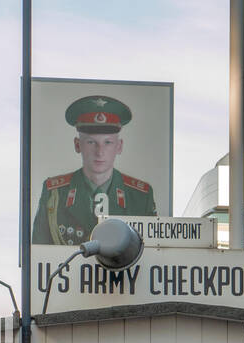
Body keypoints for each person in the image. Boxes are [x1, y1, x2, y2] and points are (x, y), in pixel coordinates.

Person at [32, 95, 157, 246]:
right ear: (78, 145)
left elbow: (151, 252)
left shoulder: (140, 197)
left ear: (119, 146)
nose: (100, 152)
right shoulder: (55, 193)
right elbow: (39, 253)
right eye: (91, 142)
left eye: (108, 142)